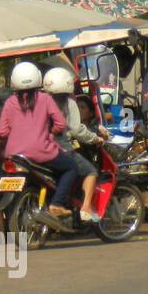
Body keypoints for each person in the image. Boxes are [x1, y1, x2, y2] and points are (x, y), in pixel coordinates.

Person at [0, 62, 81, 218]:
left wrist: (15, 133)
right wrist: (49, 132)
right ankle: (56, 203)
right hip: (42, 152)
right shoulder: (45, 99)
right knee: (71, 167)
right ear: (38, 79)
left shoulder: (9, 102)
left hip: (14, 156)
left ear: (14, 81)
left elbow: (1, 132)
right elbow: (61, 124)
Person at [43, 66, 107, 223]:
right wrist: (95, 139)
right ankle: (85, 208)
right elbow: (76, 130)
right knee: (90, 171)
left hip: (39, 147)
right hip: (61, 147)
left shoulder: (41, 101)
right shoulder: (69, 103)